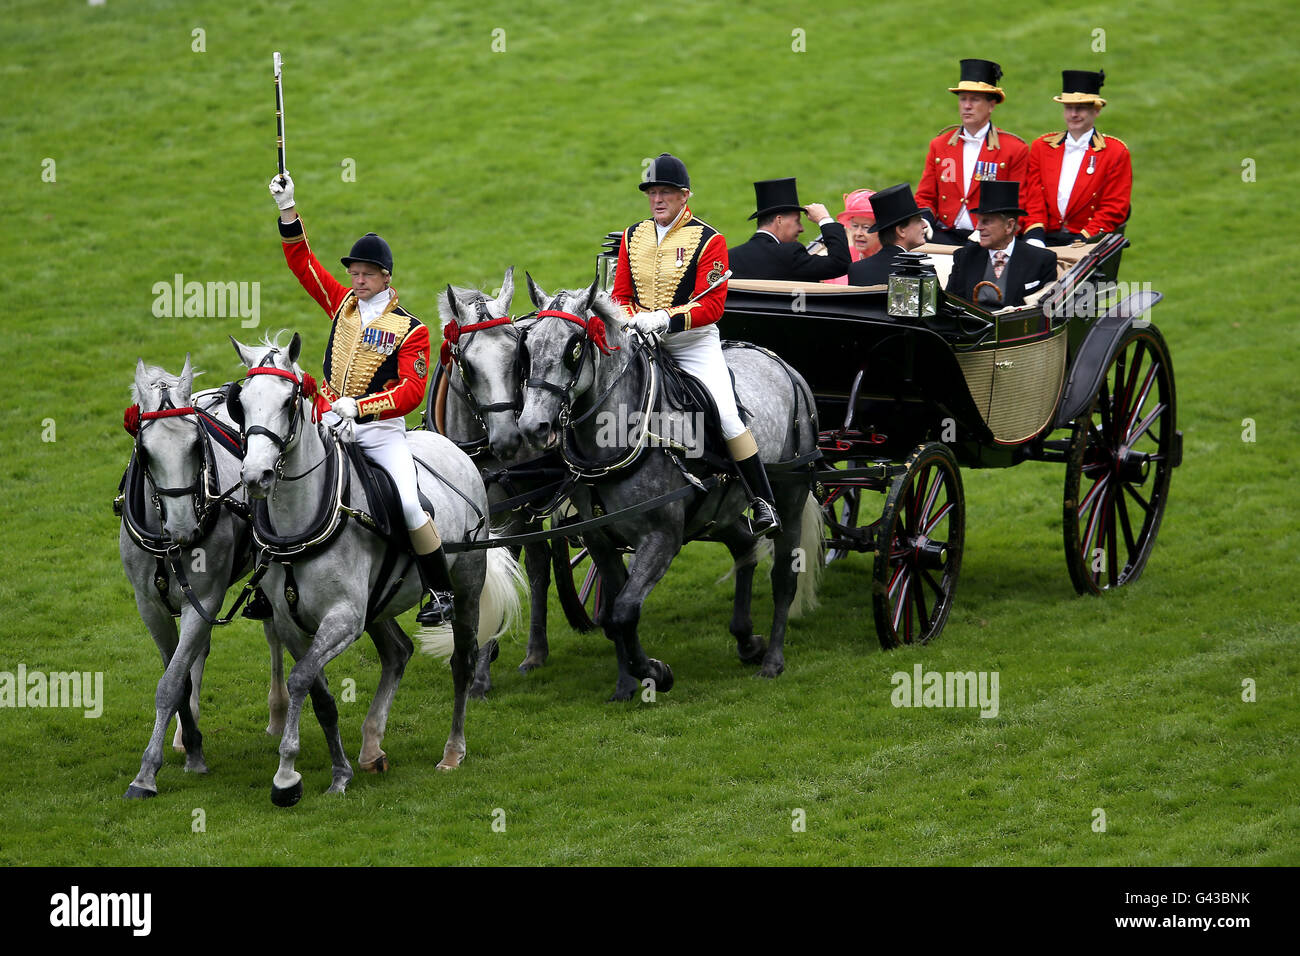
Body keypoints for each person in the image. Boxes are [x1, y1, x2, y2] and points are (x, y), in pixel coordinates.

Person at [266, 170, 454, 626]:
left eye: (366, 274)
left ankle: (440, 592)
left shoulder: (411, 329)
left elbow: (411, 392)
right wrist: (287, 209)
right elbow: (303, 265)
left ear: (386, 277)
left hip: (381, 434)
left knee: (410, 504)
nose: (358, 281)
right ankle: (267, 582)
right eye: (354, 273)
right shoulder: (342, 304)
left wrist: (361, 408)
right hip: (329, 423)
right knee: (272, 477)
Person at [610, 153, 781, 537]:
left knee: (725, 414)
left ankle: (762, 500)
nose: (657, 199)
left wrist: (664, 319)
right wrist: (630, 316)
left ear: (684, 195)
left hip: (691, 345)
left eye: (666, 192)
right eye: (652, 192)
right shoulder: (631, 236)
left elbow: (712, 305)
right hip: (640, 339)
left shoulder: (709, 240)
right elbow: (619, 293)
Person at [915, 58, 1029, 246]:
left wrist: (992, 231)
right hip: (944, 233)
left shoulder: (1014, 149)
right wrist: (925, 221)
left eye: (974, 99)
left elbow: (1018, 203)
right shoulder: (940, 145)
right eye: (963, 99)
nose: (967, 106)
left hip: (989, 239)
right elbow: (925, 195)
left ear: (991, 105)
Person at [1022, 70, 1132, 246]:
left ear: (1096, 110)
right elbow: (1033, 196)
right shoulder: (1041, 147)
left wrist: (1083, 239)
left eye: (1080, 108)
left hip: (1087, 240)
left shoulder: (1115, 152)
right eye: (1068, 108)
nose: (1073, 114)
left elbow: (1114, 207)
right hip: (1044, 237)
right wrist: (1035, 234)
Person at [946, 181, 1057, 309]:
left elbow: (1048, 313)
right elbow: (951, 305)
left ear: (1009, 225)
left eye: (986, 222)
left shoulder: (1041, 260)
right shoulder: (965, 257)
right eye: (978, 221)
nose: (978, 227)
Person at [727, 178, 850, 281]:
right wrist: (824, 219)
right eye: (797, 221)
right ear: (779, 220)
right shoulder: (789, 255)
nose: (801, 229)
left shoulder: (729, 257)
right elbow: (840, 263)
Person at [846, 183, 928, 286]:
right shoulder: (921, 271)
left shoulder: (857, 269)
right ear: (901, 230)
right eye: (918, 220)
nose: (924, 225)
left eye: (865, 227)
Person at [822, 189, 879, 285]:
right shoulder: (842, 257)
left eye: (866, 227)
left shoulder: (890, 260)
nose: (858, 233)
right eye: (855, 226)